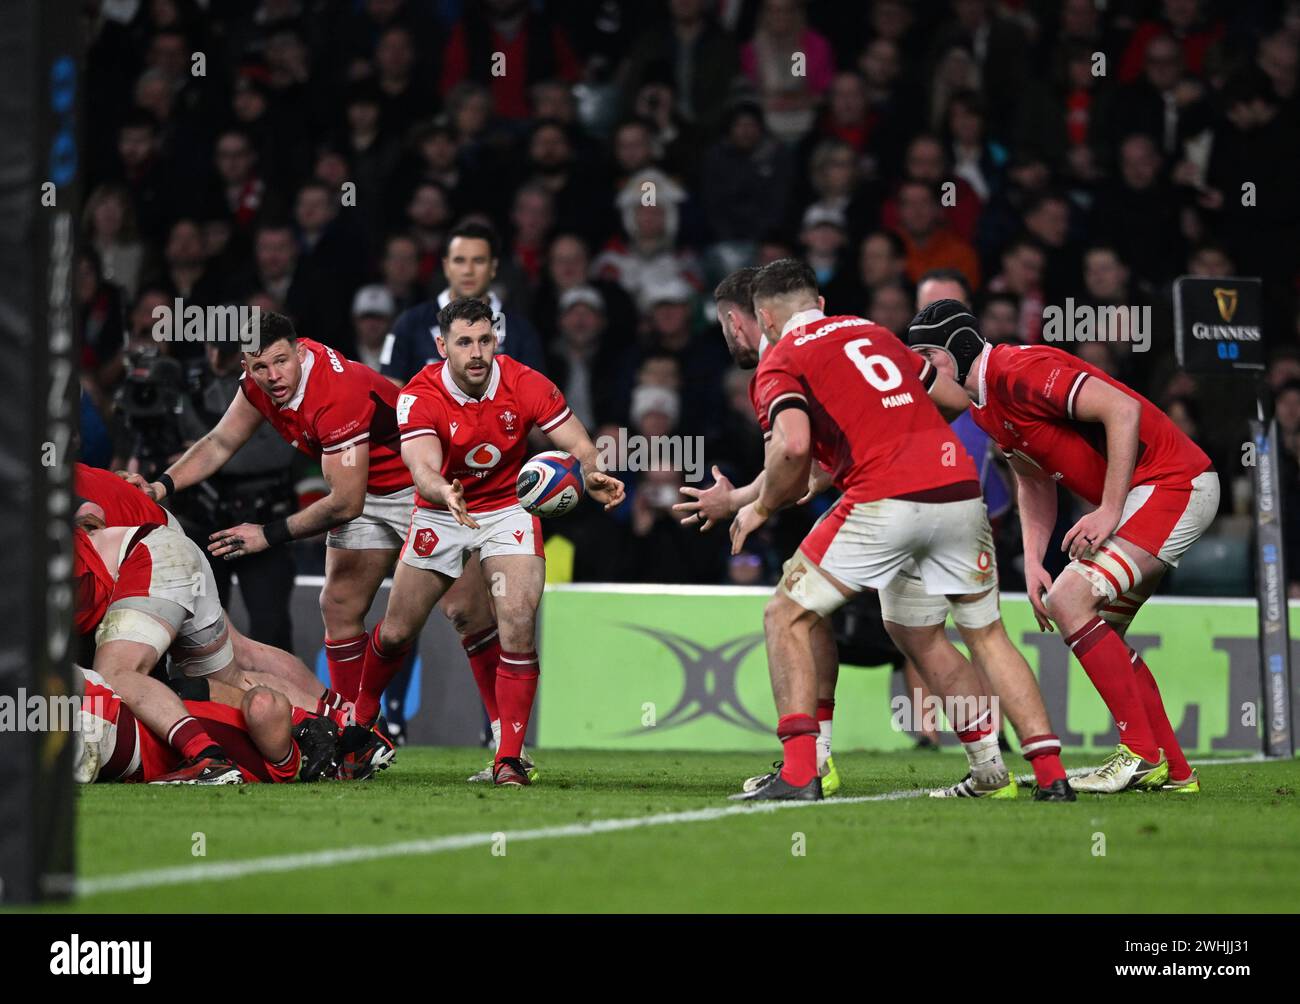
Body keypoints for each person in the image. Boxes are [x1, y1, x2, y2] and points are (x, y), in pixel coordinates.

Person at [726, 260, 1025, 802]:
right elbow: (958, 401)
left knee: (786, 614)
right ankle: (996, 767)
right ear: (818, 301)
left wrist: (762, 507)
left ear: (764, 317)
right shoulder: (873, 332)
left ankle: (802, 771)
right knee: (933, 637)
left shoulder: (782, 361)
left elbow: (793, 449)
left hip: (886, 498)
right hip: (956, 489)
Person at [906, 298, 1219, 793]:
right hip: (1151, 492)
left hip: (1174, 483)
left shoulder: (1020, 369)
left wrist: (1110, 509)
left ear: (961, 348)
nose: (921, 369)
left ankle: (1139, 754)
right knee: (1098, 627)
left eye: (929, 354)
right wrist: (1033, 561)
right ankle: (1175, 772)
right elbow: (1033, 481)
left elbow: (1123, 409)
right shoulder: (984, 406)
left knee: (1071, 601)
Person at [344, 298, 624, 785]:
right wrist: (443, 491)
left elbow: (579, 444)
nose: (476, 353)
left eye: (485, 340)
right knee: (395, 632)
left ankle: (509, 758)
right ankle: (359, 728)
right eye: (464, 342)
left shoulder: (525, 382)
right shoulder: (419, 394)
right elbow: (423, 468)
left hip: (509, 508)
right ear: (442, 346)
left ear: (497, 340)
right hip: (441, 510)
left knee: (516, 619)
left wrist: (593, 472)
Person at [123, 311, 410, 776]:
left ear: (299, 352)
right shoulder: (259, 384)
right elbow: (218, 443)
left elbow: (344, 502)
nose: (273, 376)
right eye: (260, 366)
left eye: (281, 362)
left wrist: (266, 533)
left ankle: (504, 744)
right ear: (245, 365)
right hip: (364, 488)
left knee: (464, 614)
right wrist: (161, 487)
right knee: (337, 606)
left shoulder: (332, 394)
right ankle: (352, 735)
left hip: (419, 485)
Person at [75, 666, 339, 785]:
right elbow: (201, 688)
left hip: (112, 725)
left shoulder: (279, 765)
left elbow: (263, 704)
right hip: (111, 720)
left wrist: (302, 720)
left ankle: (204, 755)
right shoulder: (274, 758)